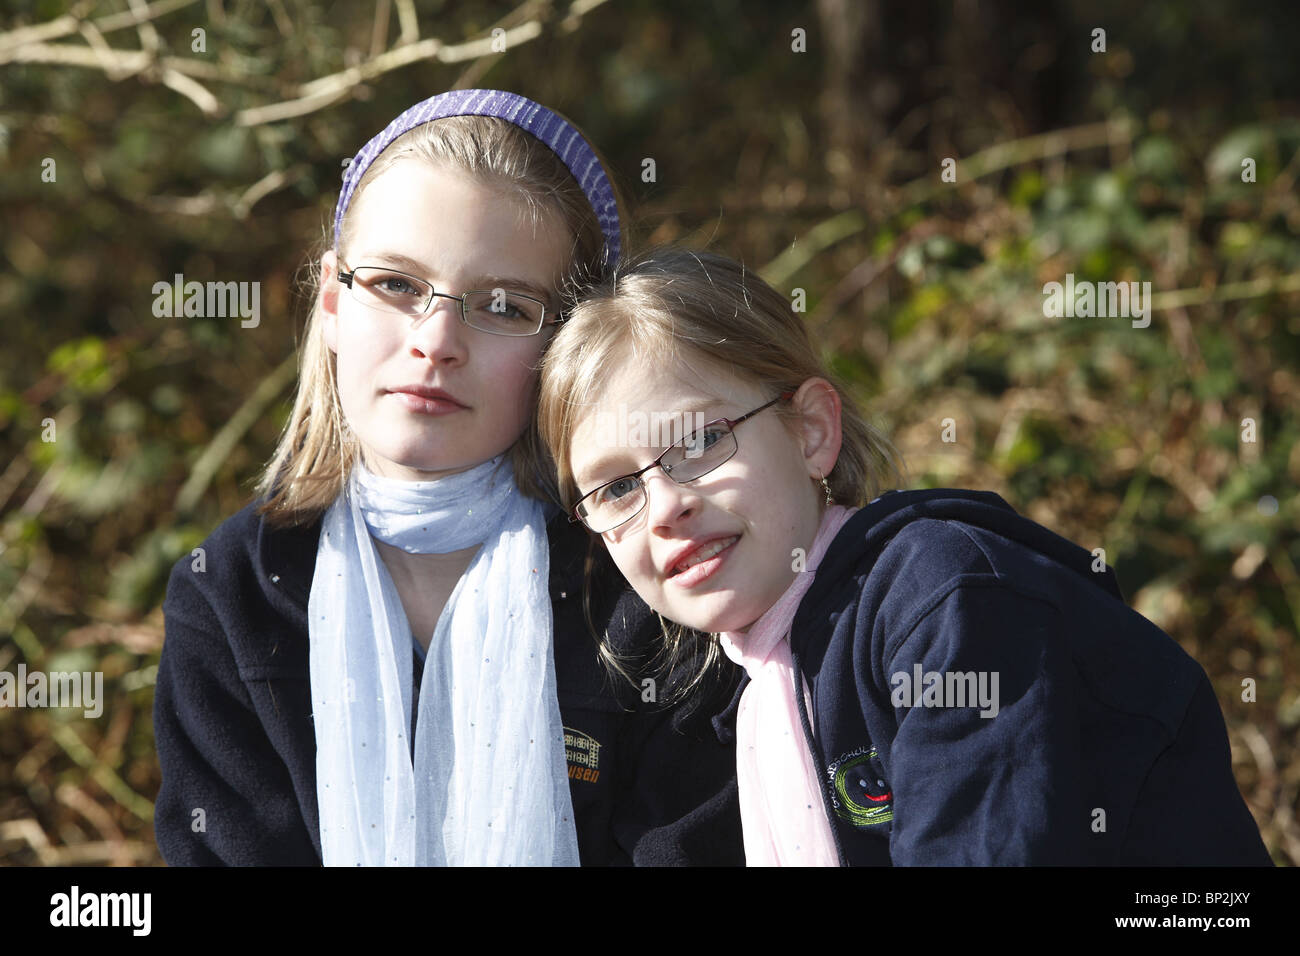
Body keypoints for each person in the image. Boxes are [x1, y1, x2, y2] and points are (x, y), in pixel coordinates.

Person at [537, 245, 1273, 866]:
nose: (667, 507)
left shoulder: (947, 602)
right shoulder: (743, 690)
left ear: (812, 432)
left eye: (700, 441)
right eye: (617, 487)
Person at [153, 92, 743, 867]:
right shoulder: (232, 596)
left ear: (569, 346)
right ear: (332, 300)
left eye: (502, 305)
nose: (436, 342)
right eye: (397, 285)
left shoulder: (647, 577)